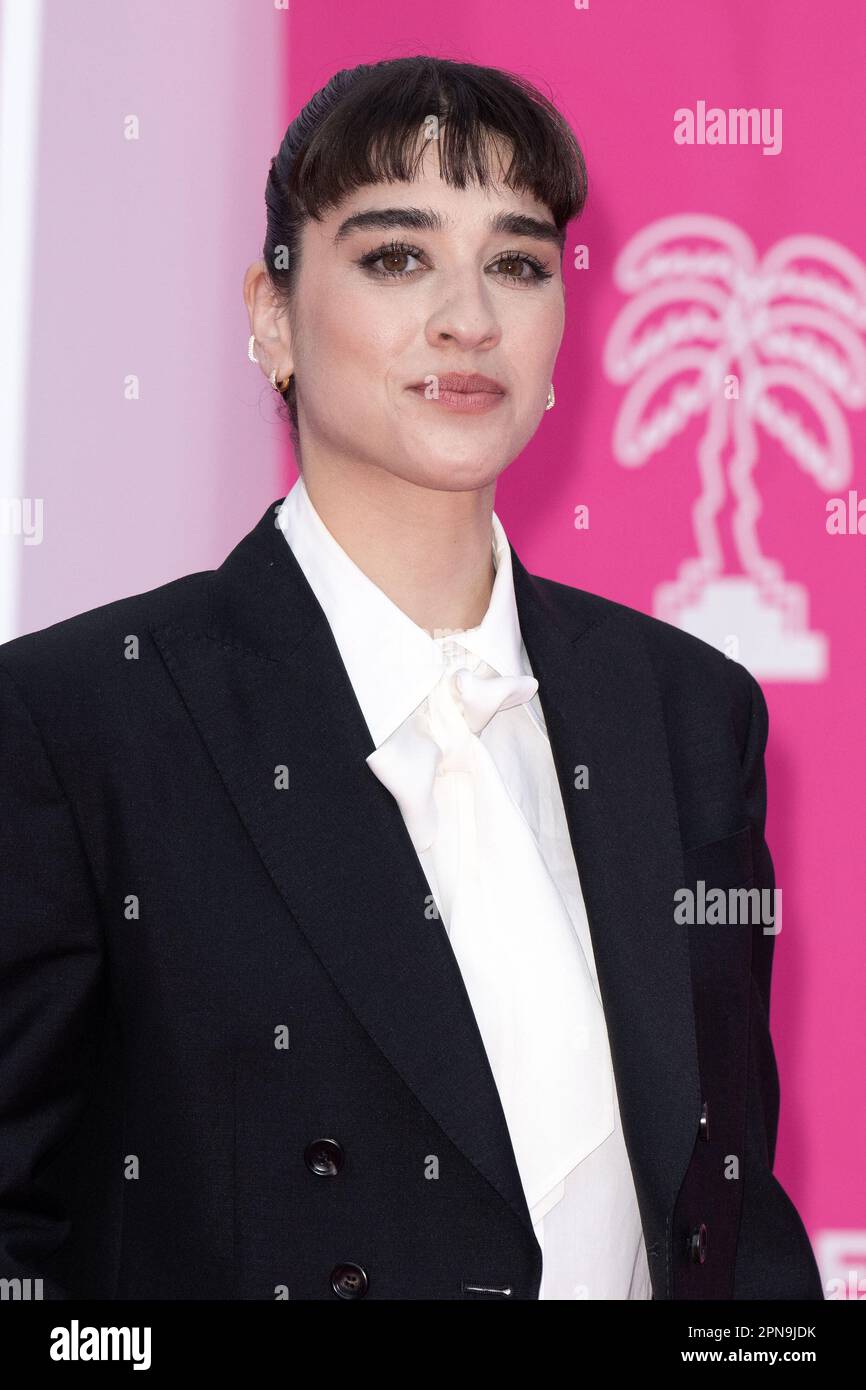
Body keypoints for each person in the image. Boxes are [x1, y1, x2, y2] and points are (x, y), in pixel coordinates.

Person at [0, 55, 822, 1301]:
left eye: (516, 261)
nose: (468, 318)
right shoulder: (80, 721)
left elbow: (727, 1214)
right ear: (270, 316)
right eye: (396, 255)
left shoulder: (684, 712)